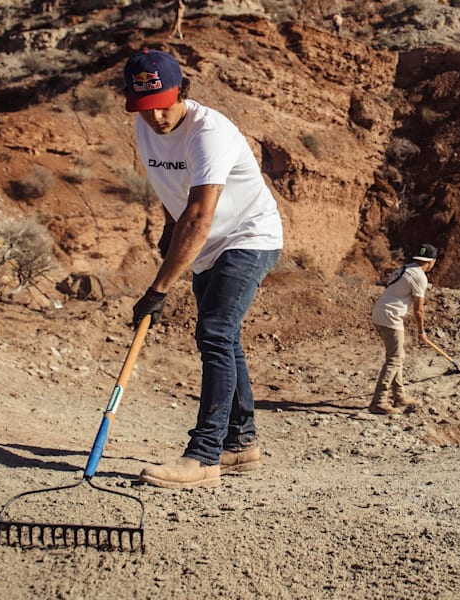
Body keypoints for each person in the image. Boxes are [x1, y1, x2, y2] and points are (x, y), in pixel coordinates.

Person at [123, 49, 284, 489]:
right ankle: (241, 443)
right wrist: (168, 225)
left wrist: (158, 288)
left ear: (182, 92)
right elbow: (172, 188)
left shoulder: (209, 132)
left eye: (162, 104)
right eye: (143, 107)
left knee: (214, 332)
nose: (154, 117)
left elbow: (199, 216)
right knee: (222, 336)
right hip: (207, 245)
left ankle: (204, 456)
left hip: (249, 236)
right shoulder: (143, 127)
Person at [369, 243, 438, 415]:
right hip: (390, 316)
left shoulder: (404, 269)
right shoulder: (420, 277)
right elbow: (419, 309)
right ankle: (379, 401)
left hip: (380, 313)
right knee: (394, 359)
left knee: (398, 356)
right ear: (431, 262)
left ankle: (399, 396)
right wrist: (422, 331)